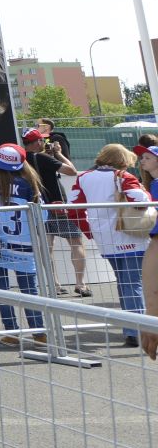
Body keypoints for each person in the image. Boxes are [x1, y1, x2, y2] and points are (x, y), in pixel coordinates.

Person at [73, 144, 151, 347]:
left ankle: (130, 328)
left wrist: (89, 231)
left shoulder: (84, 178)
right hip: (130, 236)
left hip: (104, 238)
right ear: (123, 160)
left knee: (123, 283)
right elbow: (141, 200)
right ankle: (137, 330)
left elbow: (73, 208)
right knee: (133, 284)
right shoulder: (122, 176)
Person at [0, 144, 48, 347]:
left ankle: (12, 333)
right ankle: (39, 333)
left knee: (0, 289)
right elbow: (43, 216)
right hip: (23, 243)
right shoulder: (28, 183)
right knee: (29, 289)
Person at [23, 128, 87, 296]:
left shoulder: (22, 160)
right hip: (57, 206)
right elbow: (71, 171)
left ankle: (54, 284)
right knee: (76, 242)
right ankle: (80, 284)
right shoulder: (43, 158)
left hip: (37, 207)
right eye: (42, 140)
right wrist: (58, 154)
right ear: (37, 142)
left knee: (47, 246)